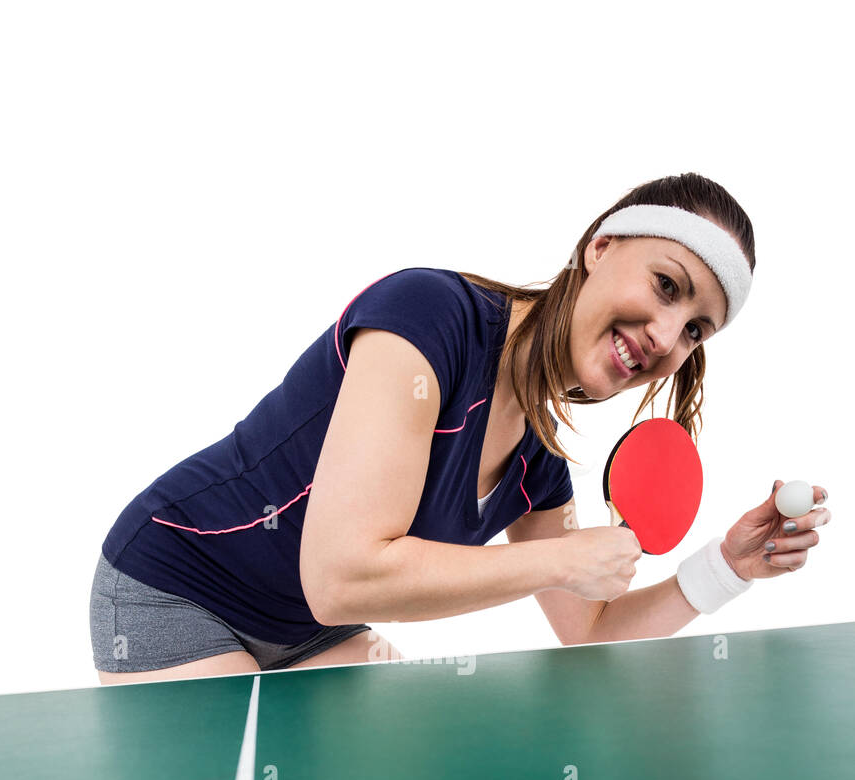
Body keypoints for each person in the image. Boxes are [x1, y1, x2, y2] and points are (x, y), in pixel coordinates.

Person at [90, 171, 830, 686]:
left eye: (696, 329)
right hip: (178, 586)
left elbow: (591, 632)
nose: (668, 335)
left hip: (306, 628)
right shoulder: (429, 319)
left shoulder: (537, 461)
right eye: (666, 286)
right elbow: (339, 576)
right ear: (599, 248)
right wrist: (560, 561)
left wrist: (728, 569)